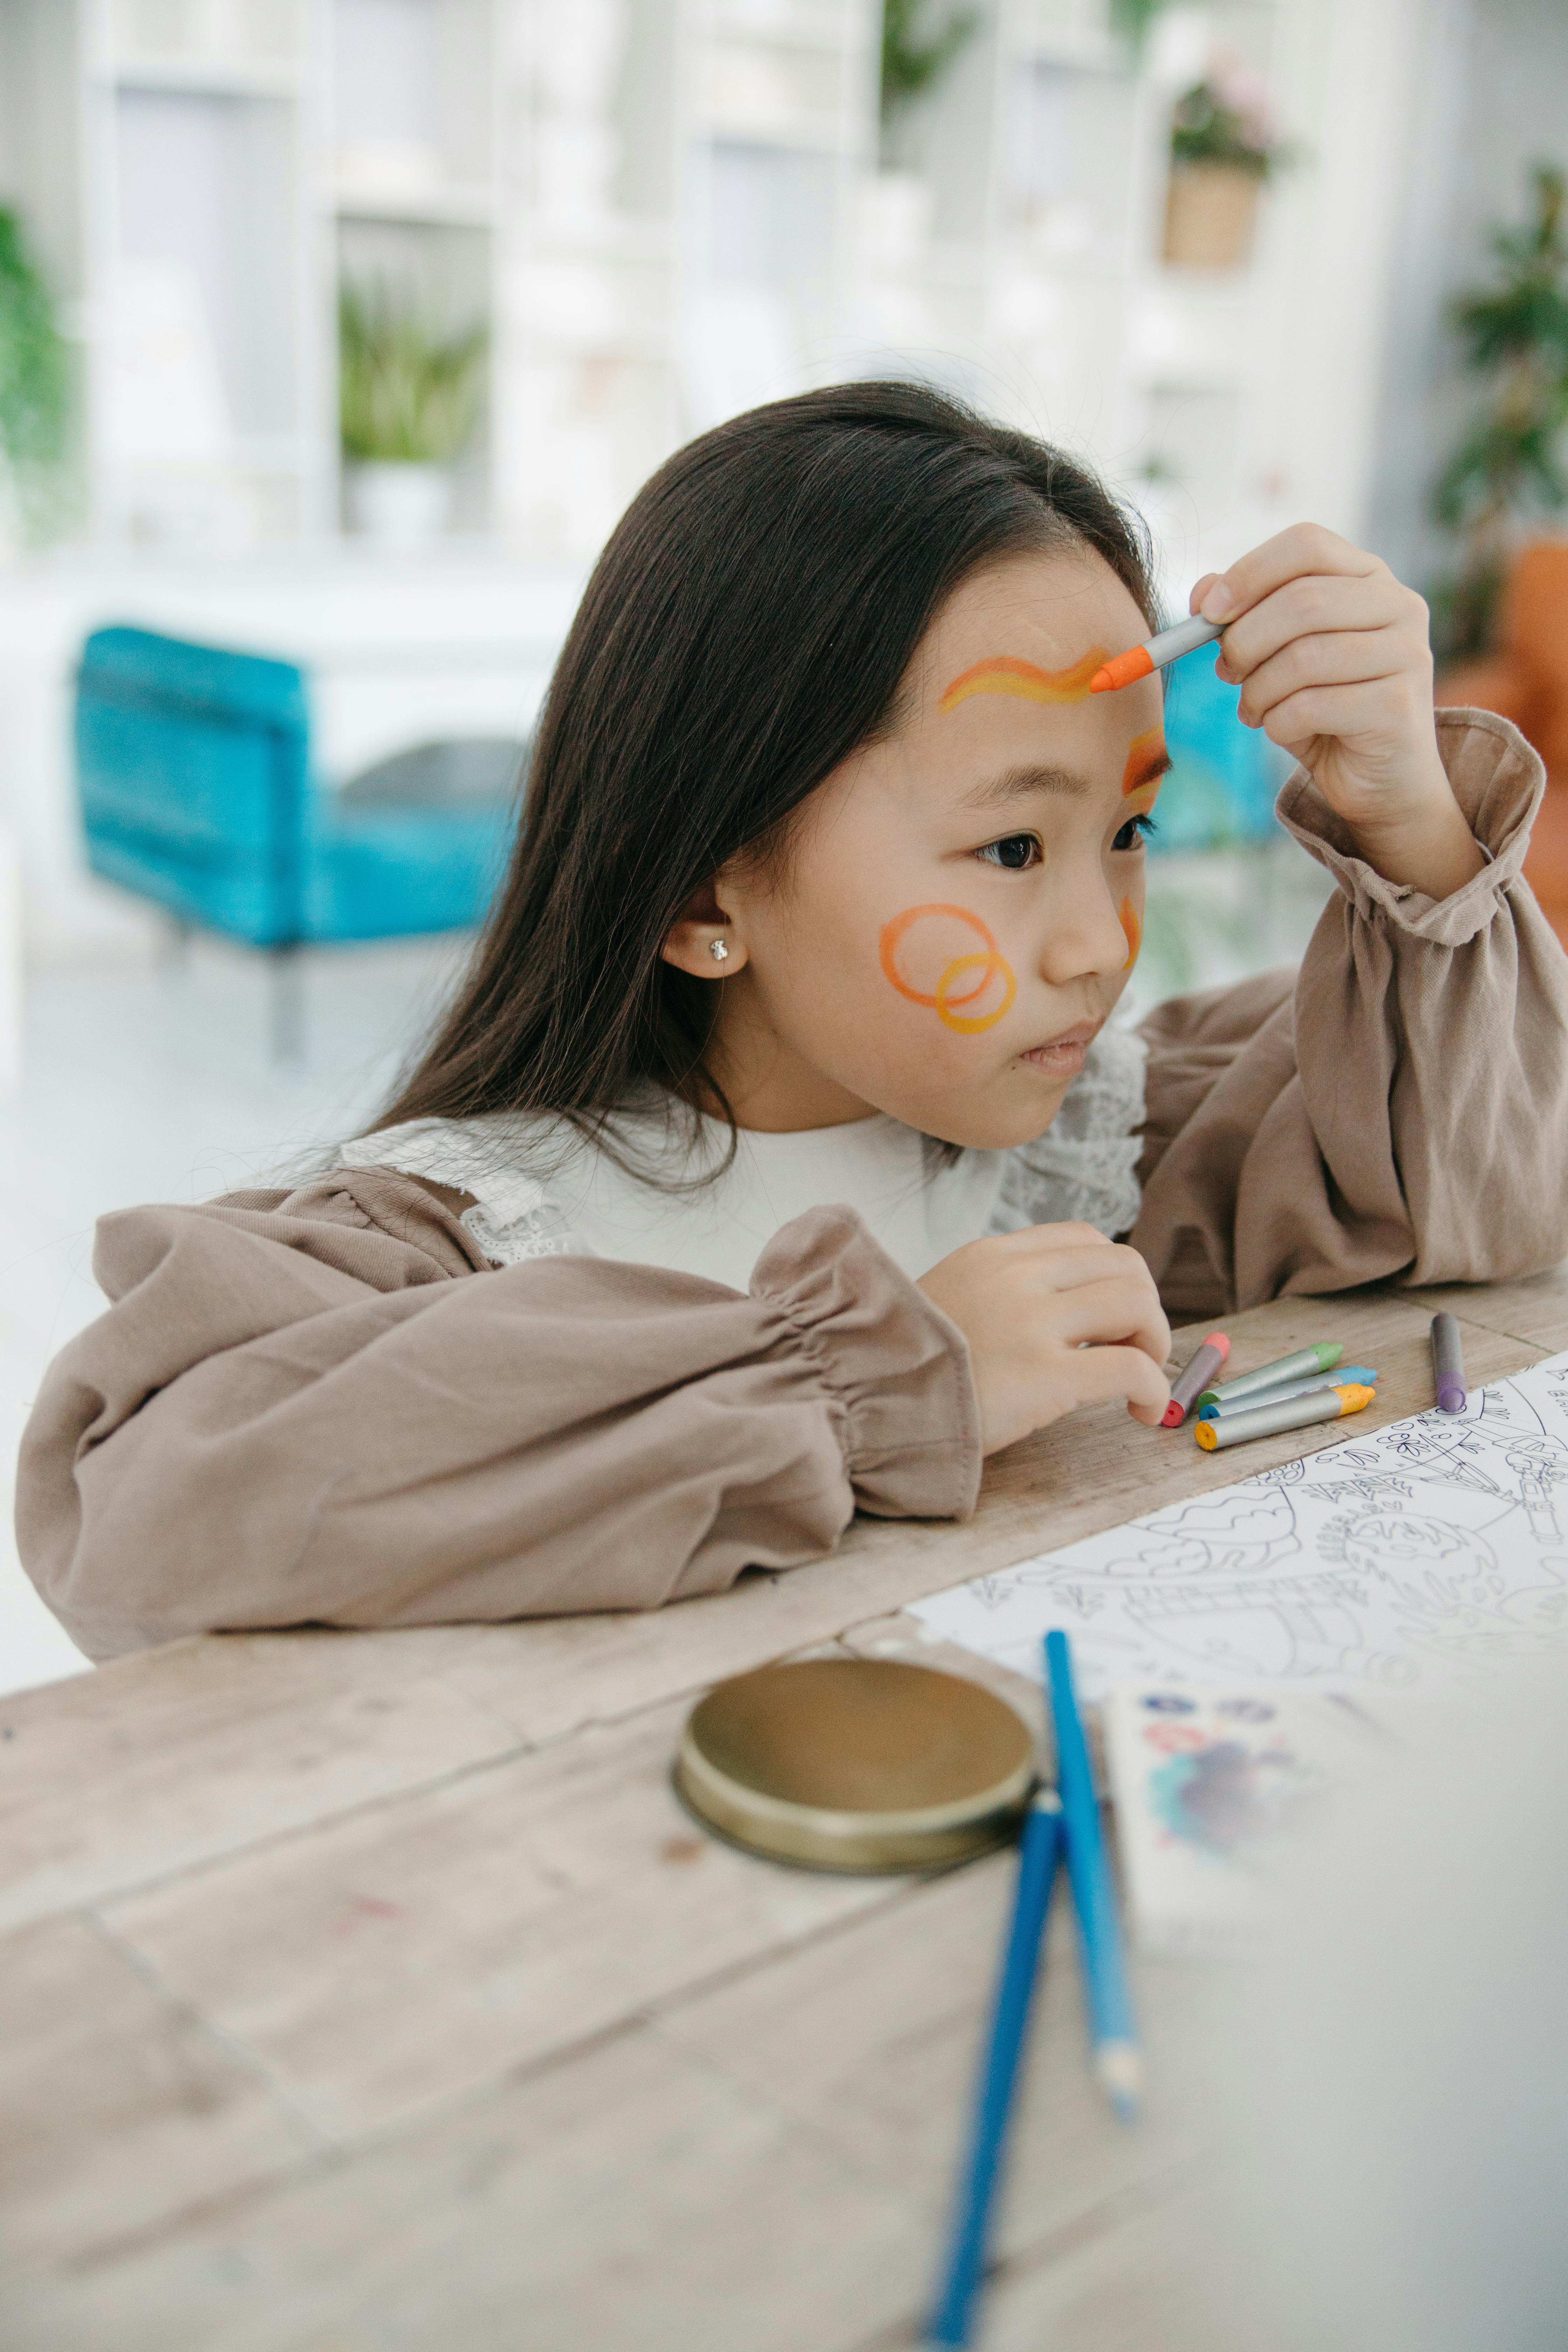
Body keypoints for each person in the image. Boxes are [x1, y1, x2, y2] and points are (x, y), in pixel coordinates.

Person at [19, 383, 1568, 1659]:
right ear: (707, 891)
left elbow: (1473, 1197)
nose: (1098, 943)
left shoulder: (1114, 1147)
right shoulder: (476, 1229)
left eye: (1130, 833)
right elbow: (136, 1516)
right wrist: (872, 1381)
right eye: (1013, 849)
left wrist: (1414, 825)